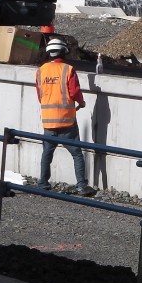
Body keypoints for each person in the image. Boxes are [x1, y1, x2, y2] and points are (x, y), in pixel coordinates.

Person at [35, 38, 96, 197]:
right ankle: (81, 186)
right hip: (66, 120)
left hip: (48, 121)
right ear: (63, 52)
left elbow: (40, 96)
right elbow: (74, 92)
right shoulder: (68, 70)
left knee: (47, 153)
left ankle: (43, 184)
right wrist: (81, 102)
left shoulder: (41, 70)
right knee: (76, 153)